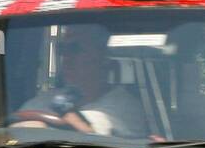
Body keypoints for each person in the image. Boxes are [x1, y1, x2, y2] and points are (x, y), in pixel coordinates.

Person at [9, 26, 147, 139]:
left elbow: (89, 135)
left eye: (74, 49)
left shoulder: (126, 106)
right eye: (62, 49)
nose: (66, 58)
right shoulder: (44, 100)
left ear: (102, 56)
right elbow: (11, 128)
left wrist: (37, 126)